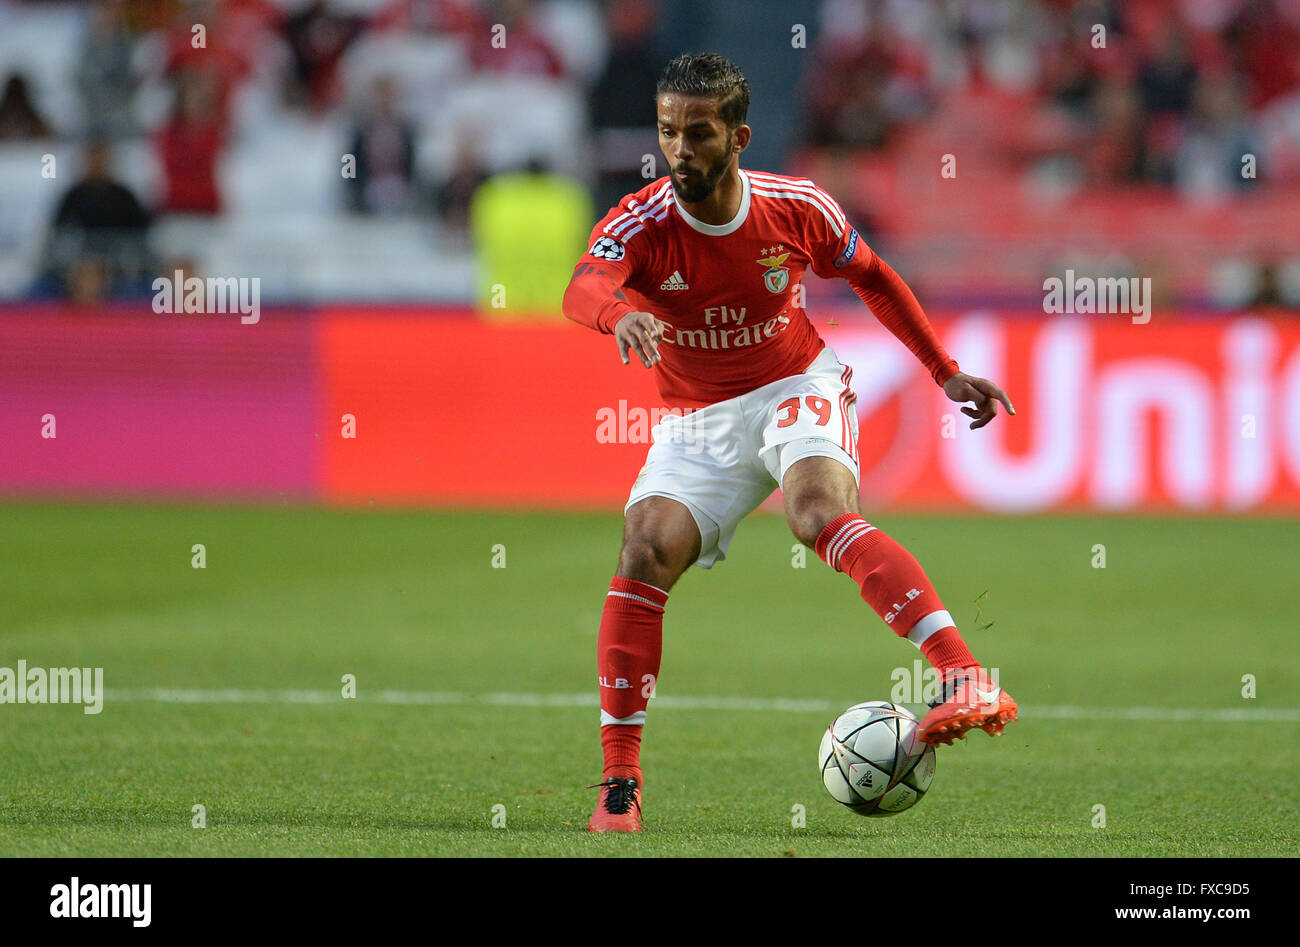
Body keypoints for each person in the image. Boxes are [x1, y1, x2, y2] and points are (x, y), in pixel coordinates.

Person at [562, 54, 1019, 834]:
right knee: (643, 549)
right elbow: (583, 286)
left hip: (793, 385)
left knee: (813, 512)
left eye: (699, 133)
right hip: (697, 419)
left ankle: (965, 676)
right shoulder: (641, 221)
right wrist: (618, 315)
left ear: (737, 137)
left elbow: (875, 276)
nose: (681, 149)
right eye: (669, 131)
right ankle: (620, 782)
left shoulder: (795, 207)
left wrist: (943, 371)